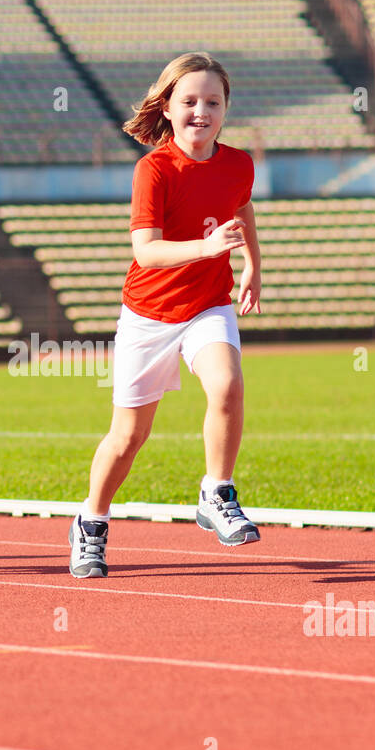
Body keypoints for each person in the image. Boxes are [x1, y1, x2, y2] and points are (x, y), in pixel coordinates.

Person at [69, 52, 263, 579]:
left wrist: (253, 265)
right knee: (128, 437)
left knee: (227, 385)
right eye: (190, 101)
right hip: (149, 315)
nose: (202, 111)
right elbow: (147, 251)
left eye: (213, 102)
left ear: (226, 109)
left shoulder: (239, 164)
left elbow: (241, 207)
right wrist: (207, 248)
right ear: (168, 108)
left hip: (208, 304)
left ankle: (217, 492)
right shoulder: (153, 169)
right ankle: (91, 521)